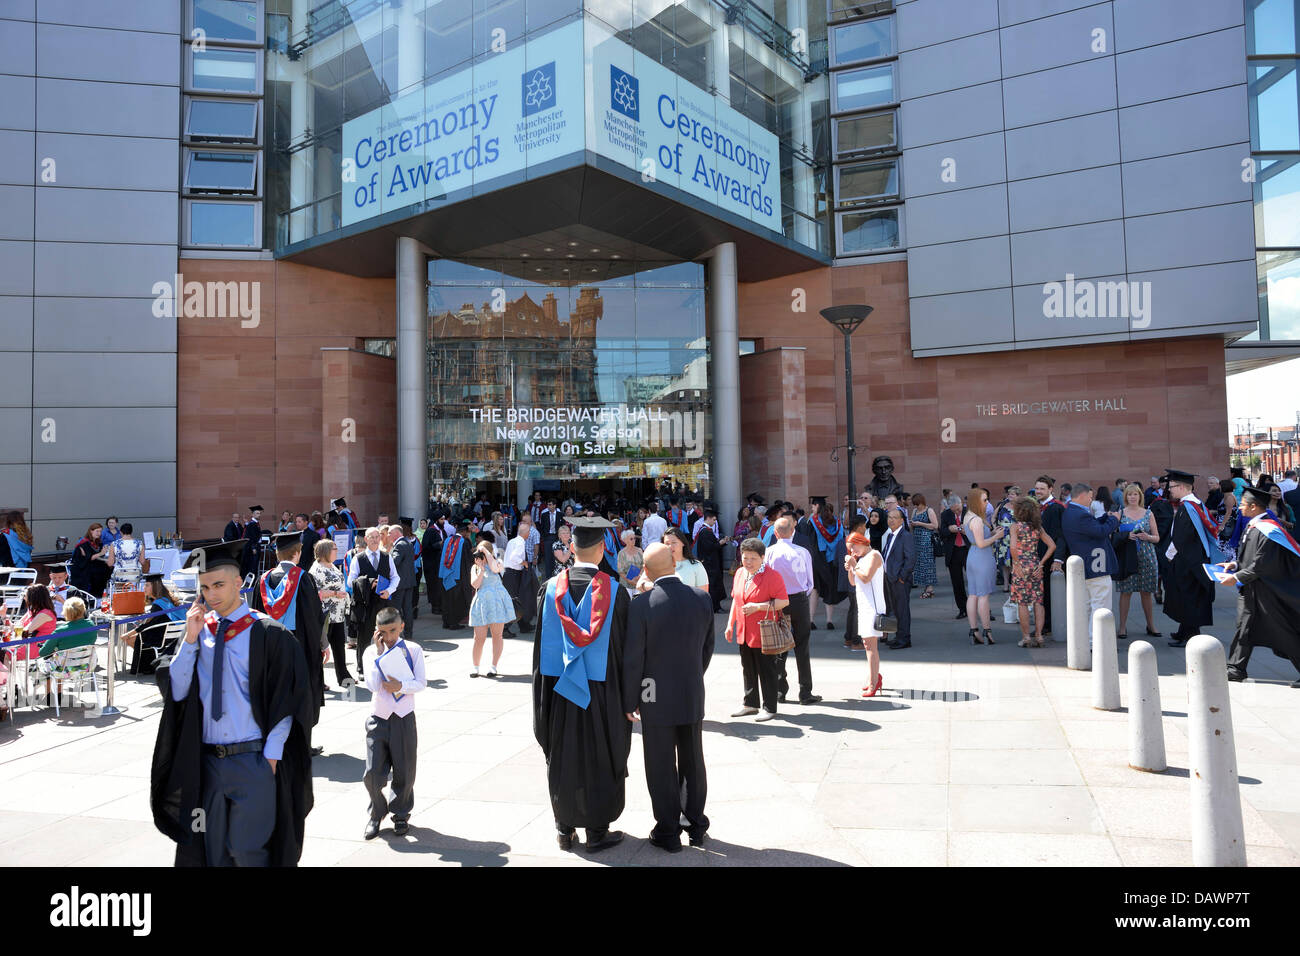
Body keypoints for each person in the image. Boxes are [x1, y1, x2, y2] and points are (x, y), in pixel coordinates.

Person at [150, 539, 314, 867]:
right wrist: (191, 639)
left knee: (250, 852)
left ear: (239, 583)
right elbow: (177, 692)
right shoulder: (199, 632)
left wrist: (270, 756)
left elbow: (287, 699)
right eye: (205, 587)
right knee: (212, 853)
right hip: (207, 764)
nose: (212, 594)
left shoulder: (270, 634)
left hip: (252, 760)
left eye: (219, 585)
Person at [532, 516, 633, 853]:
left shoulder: (548, 590)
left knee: (562, 754)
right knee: (601, 753)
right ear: (603, 549)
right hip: (602, 691)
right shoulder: (617, 594)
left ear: (571, 548)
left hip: (558, 689)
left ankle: (564, 829)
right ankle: (597, 832)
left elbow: (538, 654)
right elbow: (624, 650)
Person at [623, 542, 714, 852]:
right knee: (693, 760)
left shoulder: (642, 604)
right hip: (690, 690)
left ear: (646, 571)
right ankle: (696, 824)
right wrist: (692, 675)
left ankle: (668, 830)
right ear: (675, 563)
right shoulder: (701, 599)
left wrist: (629, 699)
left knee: (660, 763)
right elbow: (707, 648)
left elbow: (634, 658)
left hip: (653, 693)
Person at [1219, 485, 1300, 686]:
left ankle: (1236, 667)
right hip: (1253, 589)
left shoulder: (1268, 529)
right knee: (1244, 627)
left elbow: (1262, 565)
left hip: (1268, 592)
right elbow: (1250, 557)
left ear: (1255, 507)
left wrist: (1236, 578)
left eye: (1244, 504)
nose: (1240, 508)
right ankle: (1236, 668)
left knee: (1284, 632)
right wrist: (1235, 564)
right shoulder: (1254, 525)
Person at [252, 532, 326, 740]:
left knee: (276, 690)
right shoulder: (303, 578)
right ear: (297, 553)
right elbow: (314, 617)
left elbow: (255, 616)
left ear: (277, 554)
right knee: (300, 691)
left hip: (270, 645)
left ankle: (276, 739)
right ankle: (301, 743)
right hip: (298, 644)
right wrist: (321, 645)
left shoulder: (262, 581)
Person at [362, 606, 427, 839]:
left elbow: (421, 683)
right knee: (372, 774)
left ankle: (400, 813)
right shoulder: (371, 652)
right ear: (376, 631)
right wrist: (379, 655)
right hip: (378, 717)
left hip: (403, 718)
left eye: (392, 630)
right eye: (383, 632)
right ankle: (376, 811)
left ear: (401, 627)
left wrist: (401, 686)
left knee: (405, 770)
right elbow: (371, 685)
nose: (388, 637)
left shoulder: (414, 650)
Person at [724, 537, 788, 721]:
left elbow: (783, 601)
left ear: (762, 557)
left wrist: (758, 606)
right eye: (745, 558)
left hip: (764, 631)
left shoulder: (772, 575)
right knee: (748, 668)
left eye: (753, 558)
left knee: (767, 669)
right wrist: (730, 624)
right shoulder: (740, 573)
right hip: (744, 630)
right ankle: (750, 703)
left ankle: (769, 706)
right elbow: (737, 600)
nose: (748, 562)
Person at [765, 516, 820, 705]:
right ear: (793, 531)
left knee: (780, 646)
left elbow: (766, 578)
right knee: (802, 646)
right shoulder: (803, 552)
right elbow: (810, 582)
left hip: (779, 601)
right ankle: (805, 692)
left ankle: (781, 691)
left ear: (775, 533)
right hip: (799, 599)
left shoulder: (770, 552)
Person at [1162, 470, 1219, 647]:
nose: (1169, 490)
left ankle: (1191, 635)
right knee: (1186, 596)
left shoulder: (1187, 507)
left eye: (1171, 486)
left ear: (1181, 487)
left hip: (1189, 561)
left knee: (1189, 597)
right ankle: (1183, 630)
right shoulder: (1195, 504)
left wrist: (1168, 556)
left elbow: (1181, 537)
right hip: (1194, 558)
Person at [1060, 482, 1121, 647]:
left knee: (1088, 605)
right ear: (1082, 495)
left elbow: (1092, 527)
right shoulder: (1079, 514)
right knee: (1100, 606)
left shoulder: (1070, 511)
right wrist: (1114, 520)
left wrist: (1105, 517)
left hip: (1086, 567)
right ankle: (1096, 642)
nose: (1091, 499)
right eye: (1090, 496)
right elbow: (1100, 531)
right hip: (1095, 566)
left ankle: (1087, 640)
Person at [348, 527, 399, 675]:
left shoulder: (386, 556)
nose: (375, 539)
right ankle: (362, 669)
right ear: (366, 539)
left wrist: (389, 590)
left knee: (387, 635)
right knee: (363, 637)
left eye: (377, 536)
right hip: (365, 603)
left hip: (383, 602)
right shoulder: (358, 558)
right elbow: (351, 581)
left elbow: (395, 577)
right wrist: (368, 582)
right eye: (372, 537)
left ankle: (386, 667)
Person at [1115, 483, 1160, 639]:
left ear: (1140, 496)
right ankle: (1122, 627)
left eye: (1135, 494)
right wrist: (1126, 536)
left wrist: (1147, 537)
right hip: (1128, 557)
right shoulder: (1120, 514)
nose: (1132, 497)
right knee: (1126, 591)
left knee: (1146, 592)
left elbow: (1157, 537)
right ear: (1125, 497)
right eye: (1129, 494)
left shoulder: (1148, 513)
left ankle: (1151, 625)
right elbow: (1112, 536)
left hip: (1147, 555)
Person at [844, 531, 886, 697]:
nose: (853, 550)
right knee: (868, 645)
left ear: (861, 542)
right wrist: (851, 568)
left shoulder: (874, 555)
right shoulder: (861, 559)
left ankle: (874, 681)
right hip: (864, 606)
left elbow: (867, 577)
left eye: (853, 546)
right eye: (850, 548)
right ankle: (874, 677)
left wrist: (854, 564)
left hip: (873, 608)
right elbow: (854, 582)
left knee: (870, 646)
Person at [1009, 496, 1055, 647]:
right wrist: (1041, 564)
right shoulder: (1037, 528)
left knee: (1022, 603)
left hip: (1021, 566)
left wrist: (1016, 564)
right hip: (1035, 566)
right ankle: (1039, 636)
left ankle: (1026, 637)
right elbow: (1052, 545)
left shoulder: (1015, 527)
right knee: (1038, 602)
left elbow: (1013, 547)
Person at [309, 538, 353, 688]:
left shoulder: (332, 566)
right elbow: (316, 593)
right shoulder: (316, 570)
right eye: (334, 549)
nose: (337, 551)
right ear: (325, 551)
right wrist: (335, 593)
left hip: (338, 614)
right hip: (325, 615)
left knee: (339, 646)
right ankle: (319, 681)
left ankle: (343, 677)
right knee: (321, 649)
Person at [468, 539, 514, 678]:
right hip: (482, 603)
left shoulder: (497, 563)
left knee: (497, 636)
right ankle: (476, 667)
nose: (480, 555)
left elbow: (495, 568)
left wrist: (487, 552)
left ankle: (493, 666)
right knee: (479, 638)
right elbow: (475, 585)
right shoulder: (475, 567)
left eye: (483, 552)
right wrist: (481, 569)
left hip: (497, 603)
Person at [121, 573, 183, 675]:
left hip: (161, 638)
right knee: (139, 636)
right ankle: (151, 664)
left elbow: (147, 625)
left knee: (132, 639)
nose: (144, 587)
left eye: (147, 585)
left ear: (155, 586)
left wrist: (127, 634)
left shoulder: (158, 604)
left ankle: (149, 666)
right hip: (171, 635)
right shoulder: (166, 599)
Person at [963, 490, 1003, 644]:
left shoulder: (968, 516)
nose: (987, 503)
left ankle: (974, 630)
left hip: (973, 556)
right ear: (976, 501)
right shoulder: (977, 520)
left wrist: (991, 533)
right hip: (982, 557)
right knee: (983, 595)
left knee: (973, 594)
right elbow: (981, 543)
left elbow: (977, 539)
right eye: (984, 500)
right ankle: (987, 630)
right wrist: (996, 536)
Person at [1033, 476, 1067, 636]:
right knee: (1042, 592)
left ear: (1051, 489)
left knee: (1051, 592)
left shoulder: (1056, 508)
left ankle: (1051, 625)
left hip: (1052, 558)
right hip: (1040, 556)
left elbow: (1061, 535)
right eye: (1037, 488)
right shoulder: (1037, 507)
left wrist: (1058, 559)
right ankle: (1045, 624)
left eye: (1042, 489)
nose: (1038, 491)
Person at [880, 507, 916, 650]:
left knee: (902, 610)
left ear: (902, 520)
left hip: (900, 580)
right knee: (895, 609)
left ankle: (905, 639)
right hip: (890, 578)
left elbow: (910, 559)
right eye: (889, 517)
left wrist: (902, 577)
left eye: (895, 517)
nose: (891, 520)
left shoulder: (905, 536)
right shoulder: (890, 535)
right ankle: (899, 636)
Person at [502, 517, 538, 631]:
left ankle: (524, 624)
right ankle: (505, 628)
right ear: (526, 533)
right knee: (515, 601)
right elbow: (514, 557)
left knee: (520, 600)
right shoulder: (521, 543)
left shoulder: (512, 540)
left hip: (509, 573)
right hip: (514, 574)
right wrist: (524, 563)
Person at [438, 522, 474, 631]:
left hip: (445, 574)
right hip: (458, 576)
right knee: (456, 601)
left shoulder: (447, 540)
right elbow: (468, 561)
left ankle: (446, 622)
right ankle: (453, 623)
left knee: (446, 599)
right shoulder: (464, 542)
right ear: (464, 532)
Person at [691, 509, 727, 612]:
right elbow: (709, 548)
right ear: (708, 518)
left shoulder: (704, 530)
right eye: (714, 520)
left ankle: (715, 606)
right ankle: (715, 607)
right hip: (710, 563)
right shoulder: (705, 532)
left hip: (710, 562)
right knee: (713, 585)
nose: (715, 522)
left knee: (714, 584)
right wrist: (720, 543)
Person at [389, 521, 417, 634]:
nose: (388, 535)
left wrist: (388, 557)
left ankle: (396, 632)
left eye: (390, 533)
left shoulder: (399, 545)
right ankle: (408, 632)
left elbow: (395, 562)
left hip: (400, 583)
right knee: (407, 608)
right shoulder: (408, 542)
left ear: (396, 533)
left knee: (397, 609)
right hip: (409, 581)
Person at [70, 522, 112, 597]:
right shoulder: (84, 543)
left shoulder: (96, 542)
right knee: (99, 572)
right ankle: (94, 595)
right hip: (80, 568)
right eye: (97, 531)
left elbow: (95, 557)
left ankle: (101, 594)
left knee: (107, 568)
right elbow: (89, 557)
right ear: (91, 531)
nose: (99, 533)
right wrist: (101, 553)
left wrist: (105, 559)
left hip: (90, 564)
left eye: (100, 531)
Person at [910, 493, 938, 599]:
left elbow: (935, 525)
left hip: (926, 540)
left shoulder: (929, 510)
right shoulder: (914, 511)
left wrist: (920, 524)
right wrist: (912, 524)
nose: (916, 506)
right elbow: (912, 523)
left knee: (928, 563)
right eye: (915, 505)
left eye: (918, 504)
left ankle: (929, 589)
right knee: (920, 564)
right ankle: (926, 587)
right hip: (917, 540)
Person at [420, 517, 444, 616]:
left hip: (439, 564)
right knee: (433, 586)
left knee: (439, 585)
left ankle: (439, 605)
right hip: (431, 565)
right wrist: (438, 545)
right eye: (442, 519)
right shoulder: (430, 531)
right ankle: (435, 606)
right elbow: (425, 547)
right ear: (437, 520)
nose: (444, 521)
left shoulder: (441, 531)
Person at [110, 523, 144, 587]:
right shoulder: (140, 543)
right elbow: (142, 562)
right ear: (131, 531)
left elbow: (110, 563)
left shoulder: (114, 544)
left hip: (120, 574)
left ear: (121, 532)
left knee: (117, 580)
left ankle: (120, 594)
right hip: (135, 574)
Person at [615, 529, 644, 593]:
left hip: (638, 582)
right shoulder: (621, 553)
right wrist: (630, 580)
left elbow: (643, 565)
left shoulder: (639, 550)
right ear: (625, 540)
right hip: (626, 584)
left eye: (634, 538)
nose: (634, 540)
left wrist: (639, 576)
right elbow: (620, 571)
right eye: (631, 539)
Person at [241, 506, 265, 579]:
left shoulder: (256, 523)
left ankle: (252, 582)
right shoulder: (252, 524)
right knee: (252, 566)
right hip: (252, 549)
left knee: (254, 565)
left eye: (259, 513)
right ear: (253, 515)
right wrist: (253, 547)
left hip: (256, 546)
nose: (259, 515)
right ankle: (251, 583)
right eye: (257, 513)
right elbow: (250, 537)